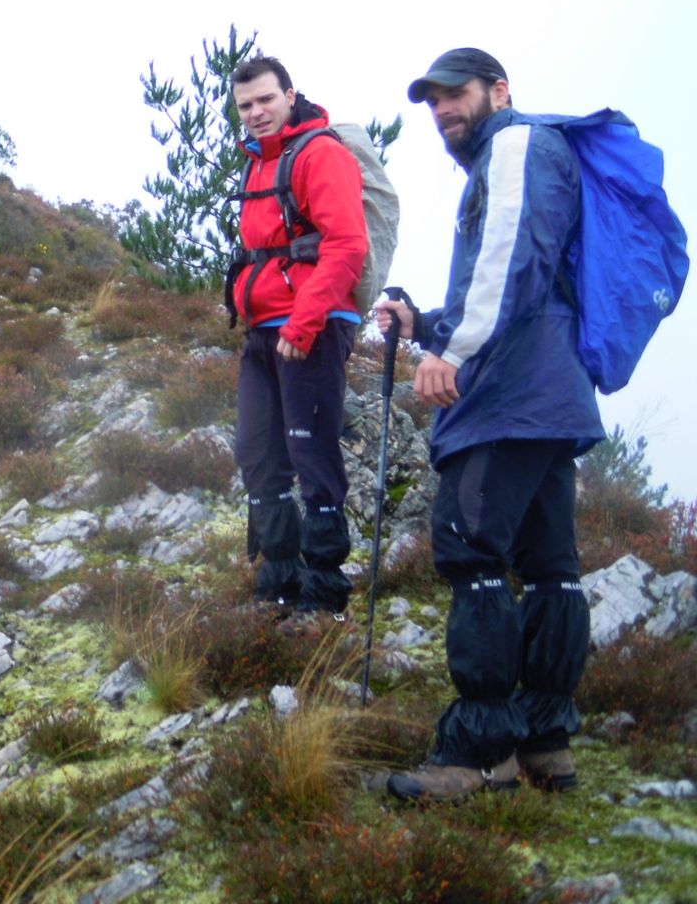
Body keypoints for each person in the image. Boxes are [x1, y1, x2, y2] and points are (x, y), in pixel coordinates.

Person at [376, 47, 604, 801]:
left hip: (506, 398)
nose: (444, 112)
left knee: (470, 554)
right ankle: (546, 744)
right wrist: (423, 323)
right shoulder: (523, 158)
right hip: (552, 394)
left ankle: (482, 756)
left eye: (456, 94)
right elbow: (518, 281)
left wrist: (453, 348)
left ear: (498, 91)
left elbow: (511, 263)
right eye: (433, 103)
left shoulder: (515, 144)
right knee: (550, 570)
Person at [227, 56, 367, 629]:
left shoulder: (320, 154)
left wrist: (303, 323)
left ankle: (324, 589)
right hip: (263, 334)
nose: (256, 113)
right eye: (245, 106)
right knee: (258, 455)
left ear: (289, 94)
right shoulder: (260, 165)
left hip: (308, 329)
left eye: (265, 100)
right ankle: (278, 579)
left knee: (312, 456)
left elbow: (347, 245)